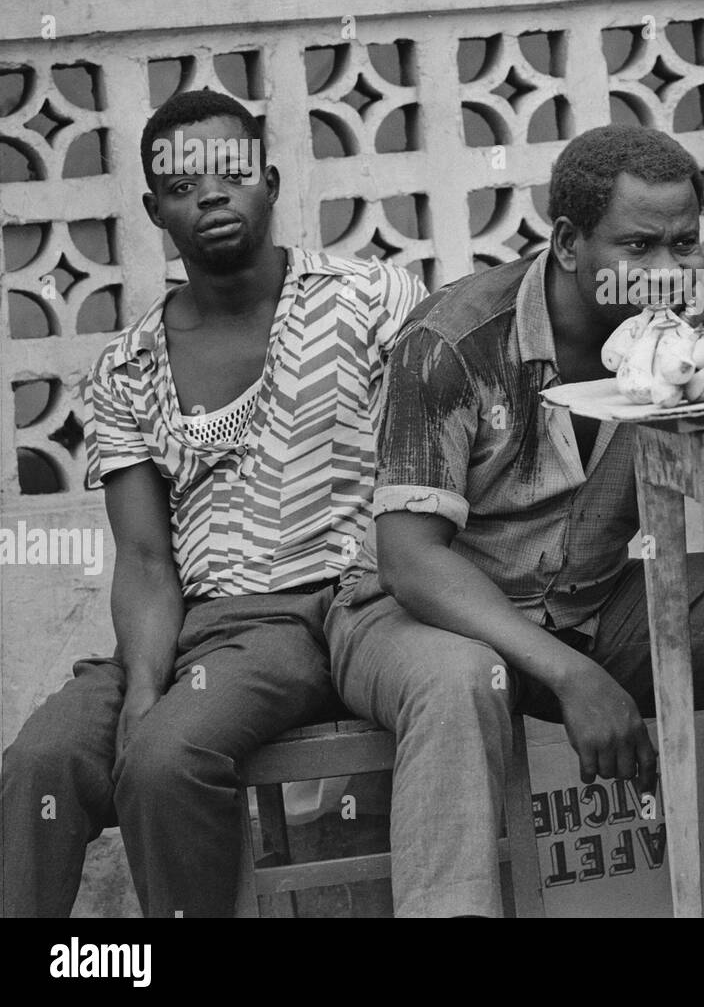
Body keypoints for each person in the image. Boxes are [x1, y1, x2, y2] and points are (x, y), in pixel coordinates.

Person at [326, 123, 704, 917]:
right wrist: (571, 675)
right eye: (639, 248)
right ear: (566, 243)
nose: (668, 272)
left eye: (686, 244)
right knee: (464, 677)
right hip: (417, 618)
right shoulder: (453, 339)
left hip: (589, 609)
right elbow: (411, 560)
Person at [1, 90, 423, 917]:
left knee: (165, 758)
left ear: (268, 180)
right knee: (39, 762)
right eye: (184, 187)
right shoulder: (125, 368)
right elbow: (148, 561)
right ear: (158, 211)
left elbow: (432, 465)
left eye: (230, 174)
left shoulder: (370, 299)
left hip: (315, 614)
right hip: (194, 627)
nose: (212, 196)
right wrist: (144, 685)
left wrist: (157, 713)